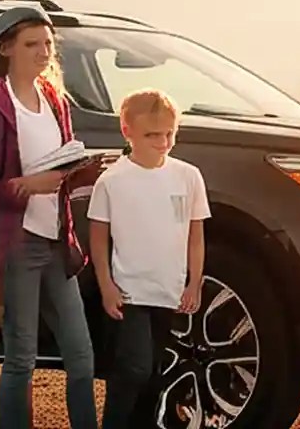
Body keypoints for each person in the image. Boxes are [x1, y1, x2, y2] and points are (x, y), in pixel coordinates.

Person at [0, 4, 103, 429]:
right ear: (6, 49)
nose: (43, 51)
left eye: (48, 44)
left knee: (81, 356)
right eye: (32, 43)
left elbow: (59, 169)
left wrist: (82, 172)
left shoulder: (55, 100)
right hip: (14, 245)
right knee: (21, 358)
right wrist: (25, 186)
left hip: (56, 241)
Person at [87, 88, 212, 429]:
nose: (162, 141)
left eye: (169, 134)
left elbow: (195, 235)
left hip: (167, 292)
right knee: (133, 368)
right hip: (129, 293)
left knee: (154, 374)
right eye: (152, 135)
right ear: (127, 130)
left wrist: (194, 282)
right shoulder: (112, 181)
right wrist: (106, 286)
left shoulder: (188, 176)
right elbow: (98, 240)